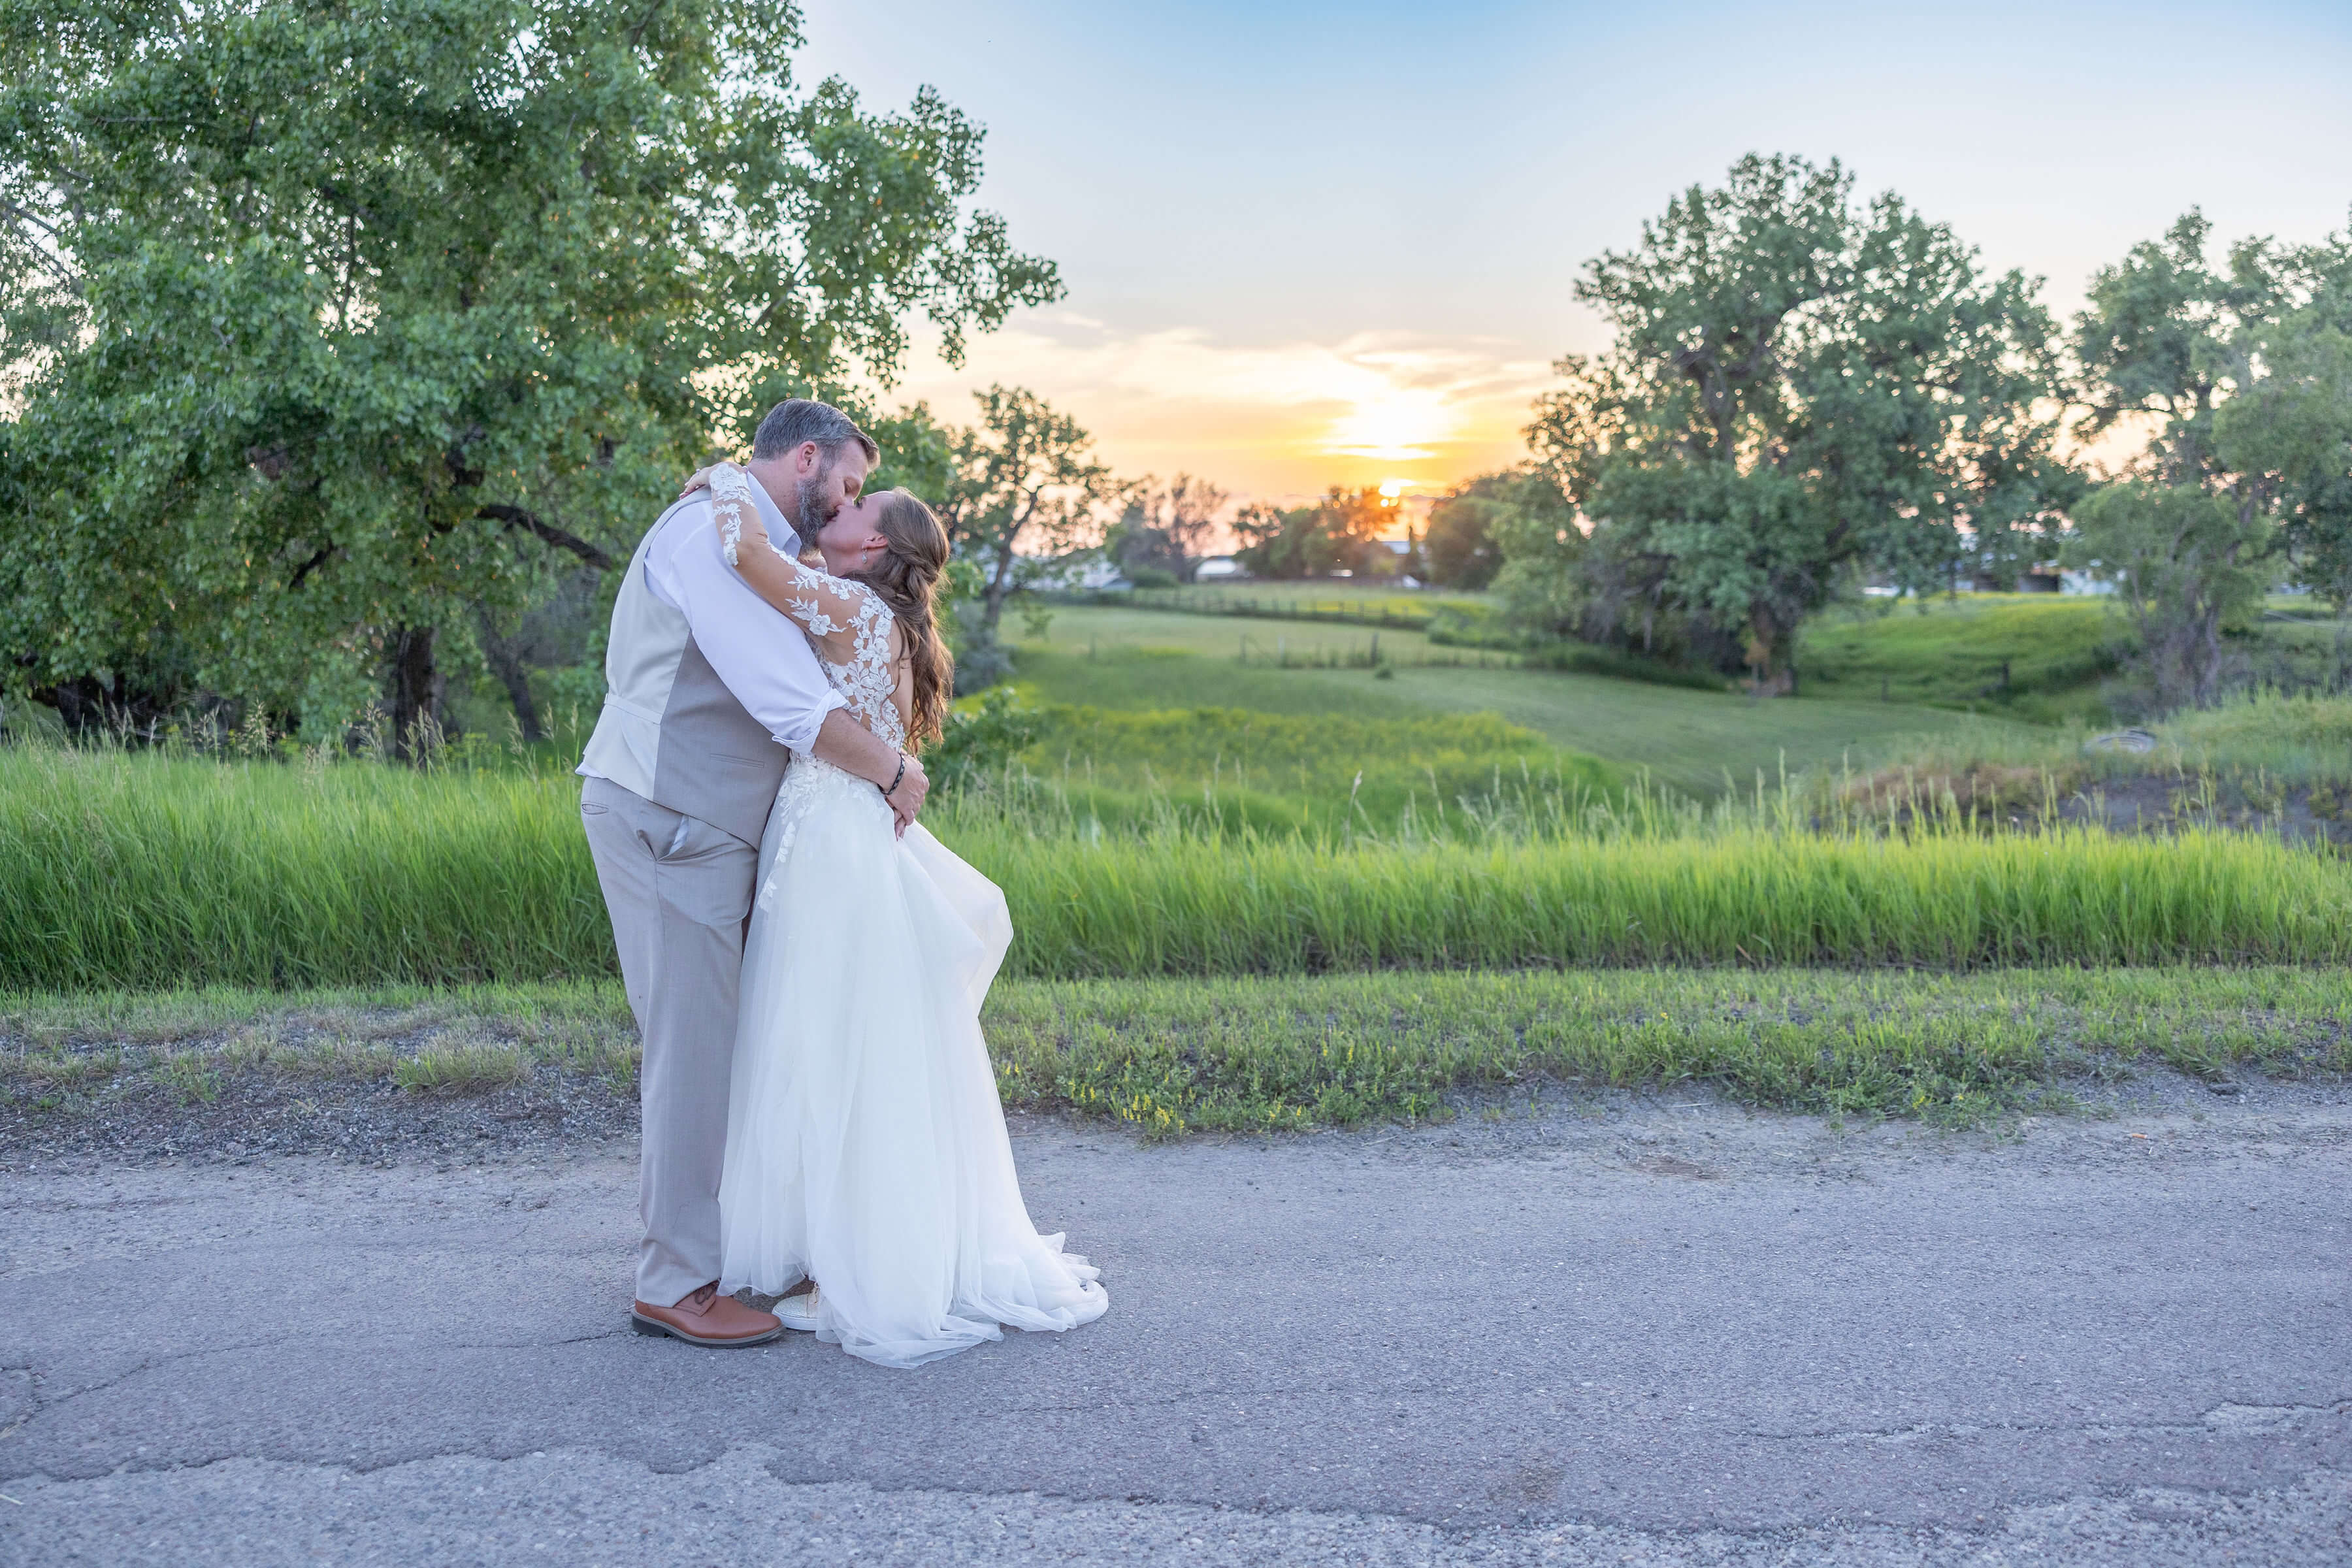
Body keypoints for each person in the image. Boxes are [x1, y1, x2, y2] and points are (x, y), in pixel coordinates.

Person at [681, 460, 1111, 1369]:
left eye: (859, 503)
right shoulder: (887, 621)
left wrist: (722, 478)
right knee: (842, 1037)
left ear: (874, 541)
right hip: (842, 833)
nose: (842, 504)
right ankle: (834, 1243)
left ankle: (847, 1259)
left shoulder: (851, 611)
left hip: (830, 847)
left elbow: (748, 555)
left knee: (824, 1040)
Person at [578, 399, 927, 1349]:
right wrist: (896, 774)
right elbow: (793, 707)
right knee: (694, 1048)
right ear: (806, 459)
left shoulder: (757, 534)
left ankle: (741, 1246)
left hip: (712, 821)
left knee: (746, 1041)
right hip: (674, 811)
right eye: (848, 484)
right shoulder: (710, 533)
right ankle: (676, 1284)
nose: (848, 503)